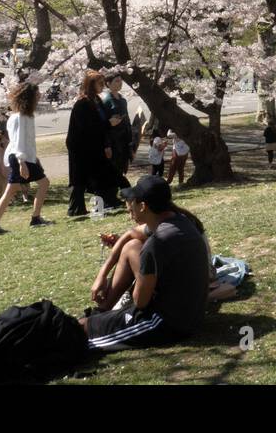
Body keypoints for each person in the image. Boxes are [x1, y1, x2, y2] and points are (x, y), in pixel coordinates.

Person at [81, 176, 211, 351]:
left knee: (84, 332)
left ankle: (97, 318)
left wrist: (141, 281)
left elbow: (141, 302)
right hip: (192, 315)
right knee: (132, 246)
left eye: (132, 203)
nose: (129, 210)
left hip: (168, 324)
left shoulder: (156, 243)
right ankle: (101, 313)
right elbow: (132, 235)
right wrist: (101, 276)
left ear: (143, 206)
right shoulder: (179, 221)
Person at [0, 81, 52, 234]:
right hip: (19, 158)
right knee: (41, 183)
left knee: (14, 189)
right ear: (29, 98)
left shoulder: (26, 117)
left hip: (24, 157)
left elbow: (26, 142)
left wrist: (32, 158)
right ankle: (33, 218)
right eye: (36, 95)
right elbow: (17, 141)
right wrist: (21, 161)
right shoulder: (19, 118)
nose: (39, 97)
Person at [67, 69, 115, 217]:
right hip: (81, 146)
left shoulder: (97, 101)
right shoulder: (82, 103)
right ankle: (78, 208)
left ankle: (88, 208)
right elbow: (87, 127)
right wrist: (108, 123)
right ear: (91, 84)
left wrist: (106, 143)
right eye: (100, 83)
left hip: (95, 144)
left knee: (96, 176)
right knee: (81, 177)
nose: (103, 86)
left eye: (103, 83)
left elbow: (99, 124)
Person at [101, 74, 133, 180]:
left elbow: (127, 120)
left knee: (122, 167)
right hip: (112, 140)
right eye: (117, 81)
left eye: (121, 81)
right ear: (108, 84)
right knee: (112, 169)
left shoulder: (123, 100)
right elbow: (103, 124)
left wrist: (131, 139)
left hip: (124, 139)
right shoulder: (105, 100)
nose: (120, 83)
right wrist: (106, 145)